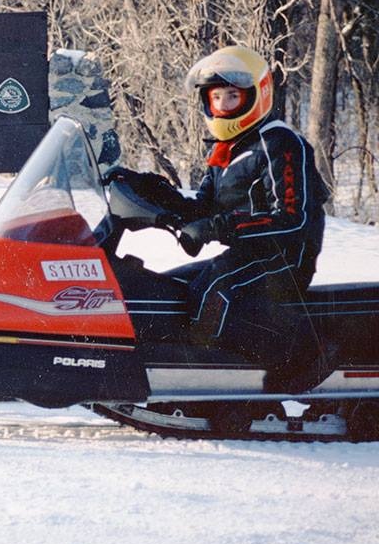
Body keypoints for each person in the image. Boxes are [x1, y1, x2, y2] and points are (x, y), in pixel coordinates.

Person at [113, 45, 332, 393]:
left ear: (256, 95)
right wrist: (149, 188)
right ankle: (168, 371)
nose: (225, 105)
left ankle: (265, 372)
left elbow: (292, 219)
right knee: (170, 289)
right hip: (245, 255)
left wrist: (217, 227)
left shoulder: (280, 143)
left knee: (214, 294)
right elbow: (204, 206)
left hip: (285, 258)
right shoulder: (226, 148)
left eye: (233, 96)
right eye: (218, 97)